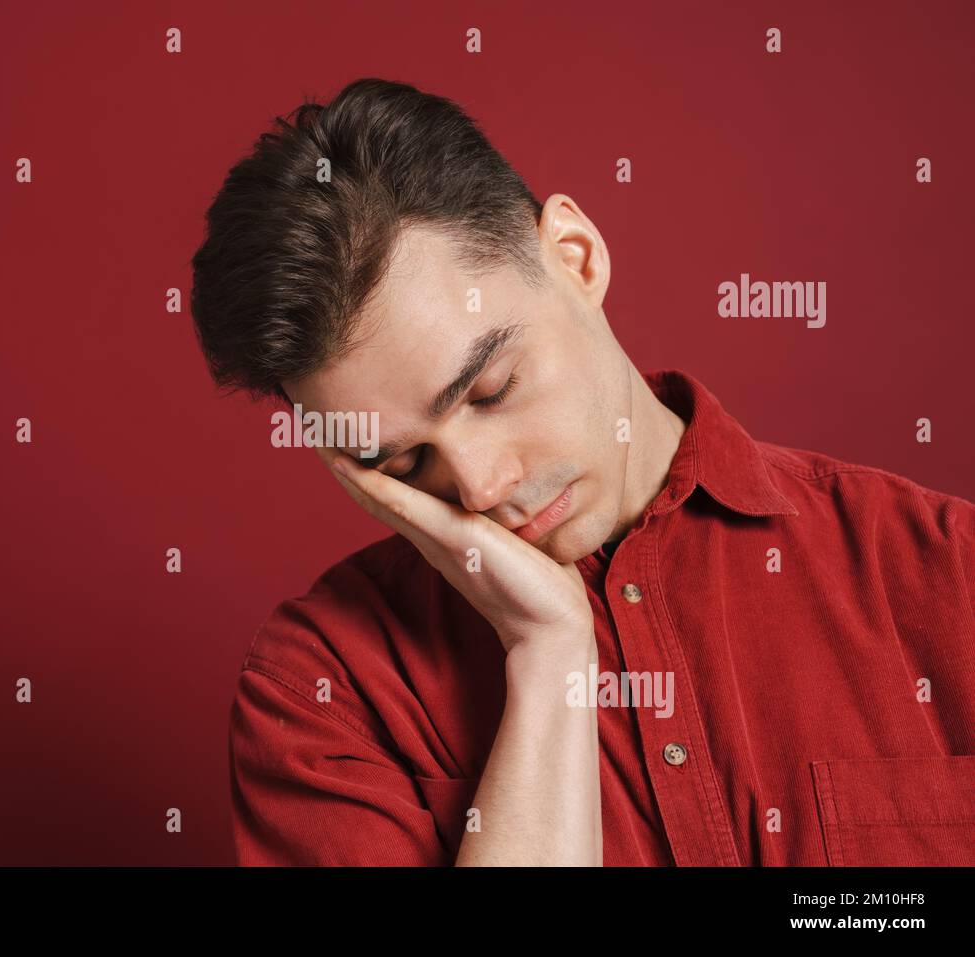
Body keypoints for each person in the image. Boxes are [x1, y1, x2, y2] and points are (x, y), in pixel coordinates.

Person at [188, 77, 975, 866]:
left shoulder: (947, 571)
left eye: (491, 390)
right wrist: (548, 651)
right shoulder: (323, 692)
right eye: (403, 460)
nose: (480, 487)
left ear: (576, 256)